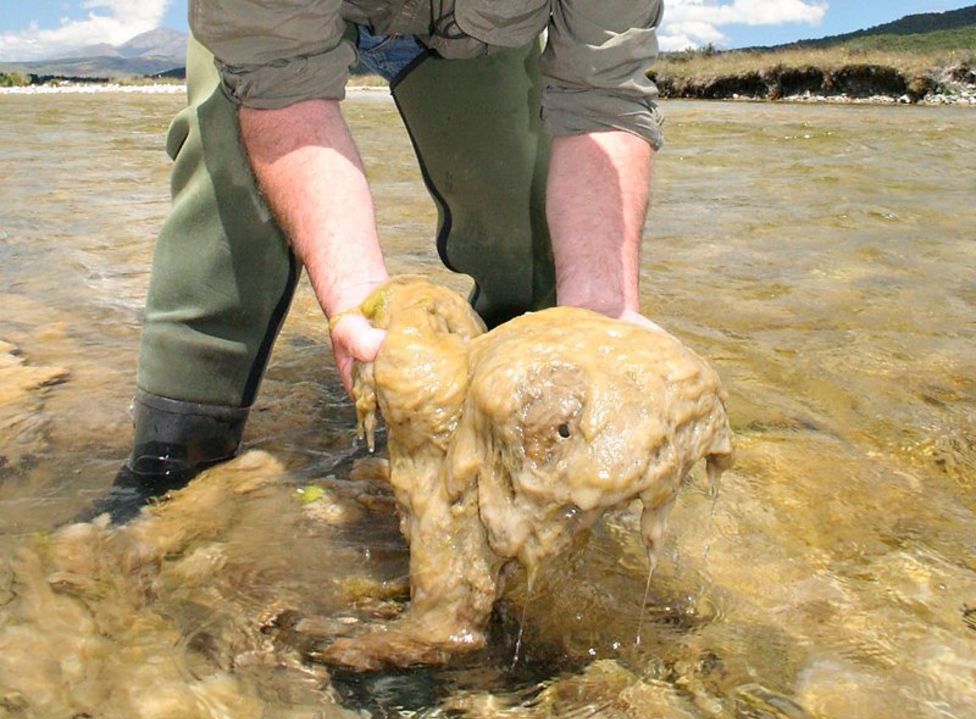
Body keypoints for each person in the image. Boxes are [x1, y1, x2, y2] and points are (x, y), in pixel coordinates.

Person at [101, 0, 666, 521]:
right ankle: (169, 464)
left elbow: (603, 98)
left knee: (528, 233)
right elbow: (277, 85)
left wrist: (602, 312)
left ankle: (519, 466)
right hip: (278, 29)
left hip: (473, 37)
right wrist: (355, 298)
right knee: (227, 187)